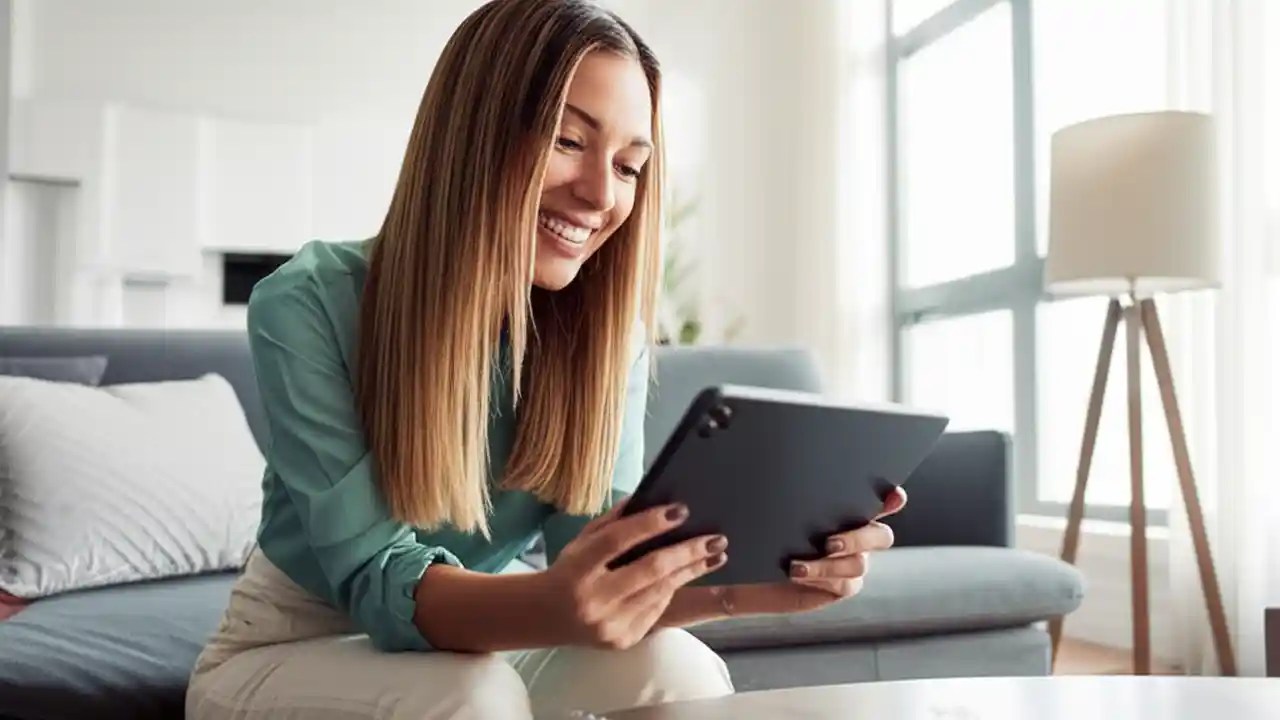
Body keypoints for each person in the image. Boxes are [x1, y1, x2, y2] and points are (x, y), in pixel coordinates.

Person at [185, 1, 906, 718]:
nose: (600, 194)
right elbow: (377, 578)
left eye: (629, 166)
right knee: (474, 695)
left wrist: (755, 588)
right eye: (567, 141)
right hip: (288, 646)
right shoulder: (308, 302)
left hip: (473, 642)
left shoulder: (605, 336)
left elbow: (594, 561)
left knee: (674, 667)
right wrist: (553, 604)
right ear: (473, 136)